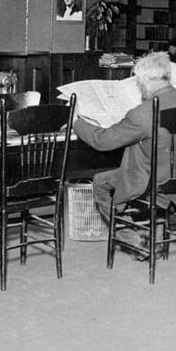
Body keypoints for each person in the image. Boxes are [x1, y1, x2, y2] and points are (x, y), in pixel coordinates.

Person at [73, 51, 176, 225]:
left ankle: (130, 237)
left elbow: (103, 141)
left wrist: (76, 122)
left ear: (147, 80)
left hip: (152, 181)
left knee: (100, 182)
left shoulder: (144, 113)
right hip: (172, 176)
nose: (139, 86)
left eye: (139, 81)